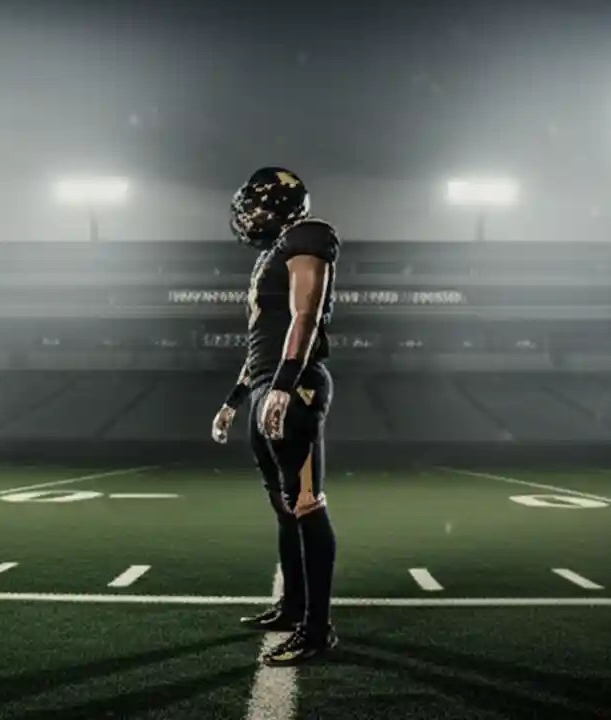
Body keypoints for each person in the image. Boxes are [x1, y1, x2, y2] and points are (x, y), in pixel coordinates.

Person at [211, 167, 340, 666]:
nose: (248, 213)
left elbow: (306, 315)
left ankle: (317, 629)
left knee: (306, 503)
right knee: (284, 505)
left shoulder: (308, 236)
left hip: (295, 384)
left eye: (256, 203)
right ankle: (292, 608)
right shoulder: (270, 254)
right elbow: (261, 341)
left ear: (281, 204)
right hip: (268, 384)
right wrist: (234, 399)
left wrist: (285, 385)